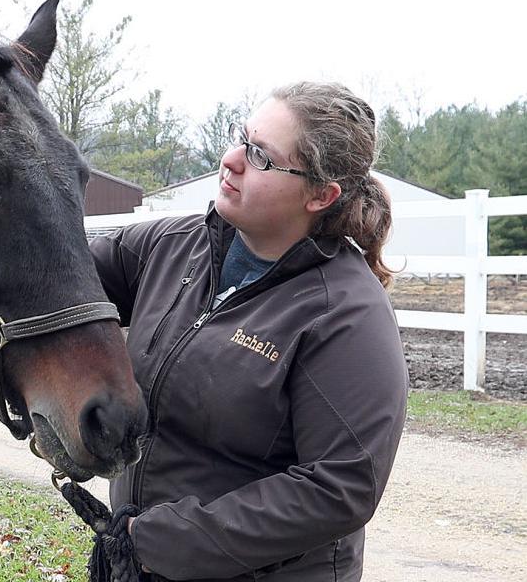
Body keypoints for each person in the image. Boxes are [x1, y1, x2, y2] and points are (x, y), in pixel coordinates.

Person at [90, 82, 408, 581]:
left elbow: (340, 487)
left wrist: (162, 541)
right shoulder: (174, 247)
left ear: (321, 196)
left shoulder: (345, 313)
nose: (232, 159)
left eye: (261, 157)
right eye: (241, 138)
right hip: (141, 563)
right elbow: (59, 273)